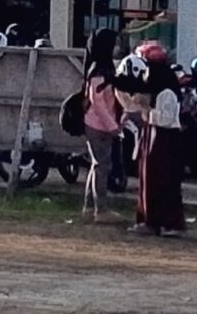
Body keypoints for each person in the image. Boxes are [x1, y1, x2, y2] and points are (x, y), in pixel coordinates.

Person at [130, 42, 188, 236]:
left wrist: (147, 109)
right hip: (154, 136)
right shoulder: (157, 88)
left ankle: (168, 222)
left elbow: (166, 119)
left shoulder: (166, 90)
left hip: (165, 139)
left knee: (163, 180)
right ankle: (149, 219)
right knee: (149, 179)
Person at [79, 43, 125, 222]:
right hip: (97, 126)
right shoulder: (99, 73)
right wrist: (112, 126)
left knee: (96, 166)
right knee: (103, 167)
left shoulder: (104, 70)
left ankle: (89, 206)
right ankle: (101, 209)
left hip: (100, 124)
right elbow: (97, 102)